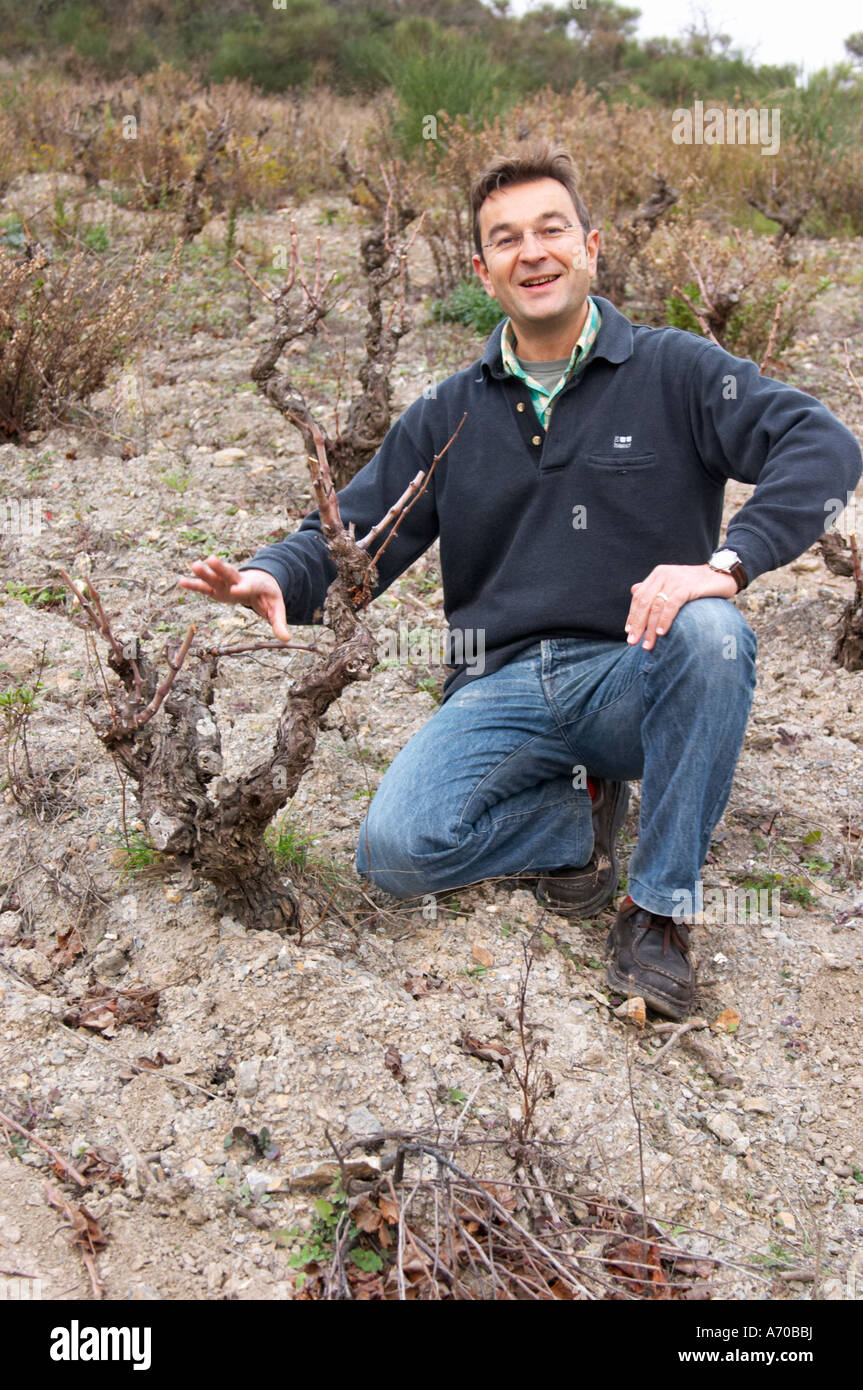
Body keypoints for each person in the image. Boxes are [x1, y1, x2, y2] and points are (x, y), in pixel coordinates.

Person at [180, 143, 862, 1021]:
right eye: (505, 239)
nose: (530, 252)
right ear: (481, 269)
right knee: (396, 851)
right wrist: (275, 574)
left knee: (711, 630)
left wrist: (725, 565)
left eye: (551, 229)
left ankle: (656, 914)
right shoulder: (447, 410)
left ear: (590, 246)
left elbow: (826, 446)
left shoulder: (677, 371)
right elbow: (353, 534)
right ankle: (575, 820)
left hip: (638, 671)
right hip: (497, 680)